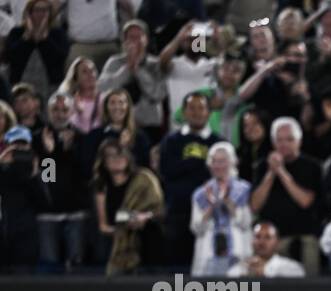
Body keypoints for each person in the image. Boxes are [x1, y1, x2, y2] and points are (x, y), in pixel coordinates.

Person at [251, 117, 324, 274]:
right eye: (279, 140)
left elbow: (305, 201)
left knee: (310, 289)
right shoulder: (261, 166)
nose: (284, 144)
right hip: (271, 239)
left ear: (299, 141)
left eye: (290, 139)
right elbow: (255, 205)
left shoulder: (313, 166)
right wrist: (271, 173)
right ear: (273, 142)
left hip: (304, 237)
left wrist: (281, 172)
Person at [159, 91, 217, 268]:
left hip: (210, 216)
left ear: (208, 113)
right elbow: (166, 171)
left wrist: (186, 165)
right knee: (176, 269)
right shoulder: (171, 141)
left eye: (201, 108)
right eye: (191, 108)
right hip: (177, 213)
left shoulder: (218, 142)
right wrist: (195, 163)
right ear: (184, 112)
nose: (197, 112)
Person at [92, 138, 164, 275]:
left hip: (148, 242)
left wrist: (144, 217)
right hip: (118, 245)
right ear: (103, 161)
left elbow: (160, 210)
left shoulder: (144, 179)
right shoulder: (101, 186)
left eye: (120, 154)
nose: (117, 158)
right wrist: (123, 230)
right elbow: (103, 226)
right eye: (111, 155)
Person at [35, 93, 89, 273]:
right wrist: (48, 154)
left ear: (72, 111)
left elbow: (85, 174)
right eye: (55, 110)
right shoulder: (37, 139)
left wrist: (68, 150)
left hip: (76, 212)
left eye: (65, 109)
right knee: (49, 266)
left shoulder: (81, 138)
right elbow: (46, 179)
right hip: (48, 213)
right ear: (47, 111)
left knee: (76, 266)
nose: (60, 114)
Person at [190, 141, 254, 276]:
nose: (219, 166)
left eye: (223, 161)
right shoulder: (201, 193)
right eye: (215, 161)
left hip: (238, 252)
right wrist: (211, 207)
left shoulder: (244, 189)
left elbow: (245, 223)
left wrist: (227, 202)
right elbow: (196, 228)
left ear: (232, 162)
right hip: (208, 255)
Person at [97, 20, 167, 141]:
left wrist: (138, 70)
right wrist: (126, 69)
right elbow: (102, 89)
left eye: (140, 36)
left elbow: (158, 94)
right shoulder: (114, 62)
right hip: (118, 126)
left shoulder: (156, 64)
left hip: (149, 127)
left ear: (146, 40)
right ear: (124, 42)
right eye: (131, 37)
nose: (136, 41)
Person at [0, 126, 47, 272]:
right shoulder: (3, 169)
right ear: (7, 146)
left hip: (26, 236)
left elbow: (46, 203)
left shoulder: (41, 167)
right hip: (3, 233)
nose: (19, 149)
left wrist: (34, 175)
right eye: (16, 145)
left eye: (23, 145)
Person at [228, 221, 307, 277]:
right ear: (251, 242)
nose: (261, 242)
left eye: (267, 237)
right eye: (258, 237)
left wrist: (264, 273)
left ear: (277, 243)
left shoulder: (292, 268)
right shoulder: (240, 268)